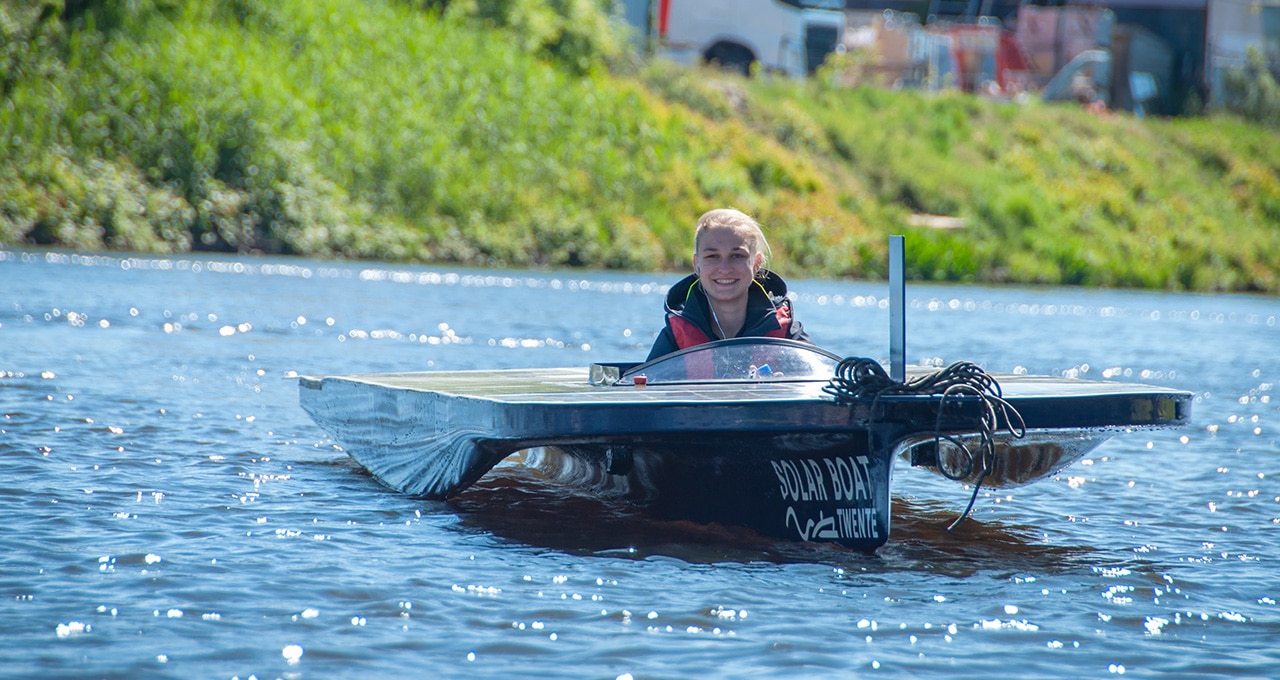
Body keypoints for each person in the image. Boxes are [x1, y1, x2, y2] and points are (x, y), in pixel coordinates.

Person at [646, 208, 811, 361]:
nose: (724, 269)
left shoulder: (786, 332)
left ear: (756, 263)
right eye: (712, 256)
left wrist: (781, 388)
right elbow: (645, 389)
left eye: (737, 256)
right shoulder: (675, 335)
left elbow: (822, 385)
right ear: (697, 264)